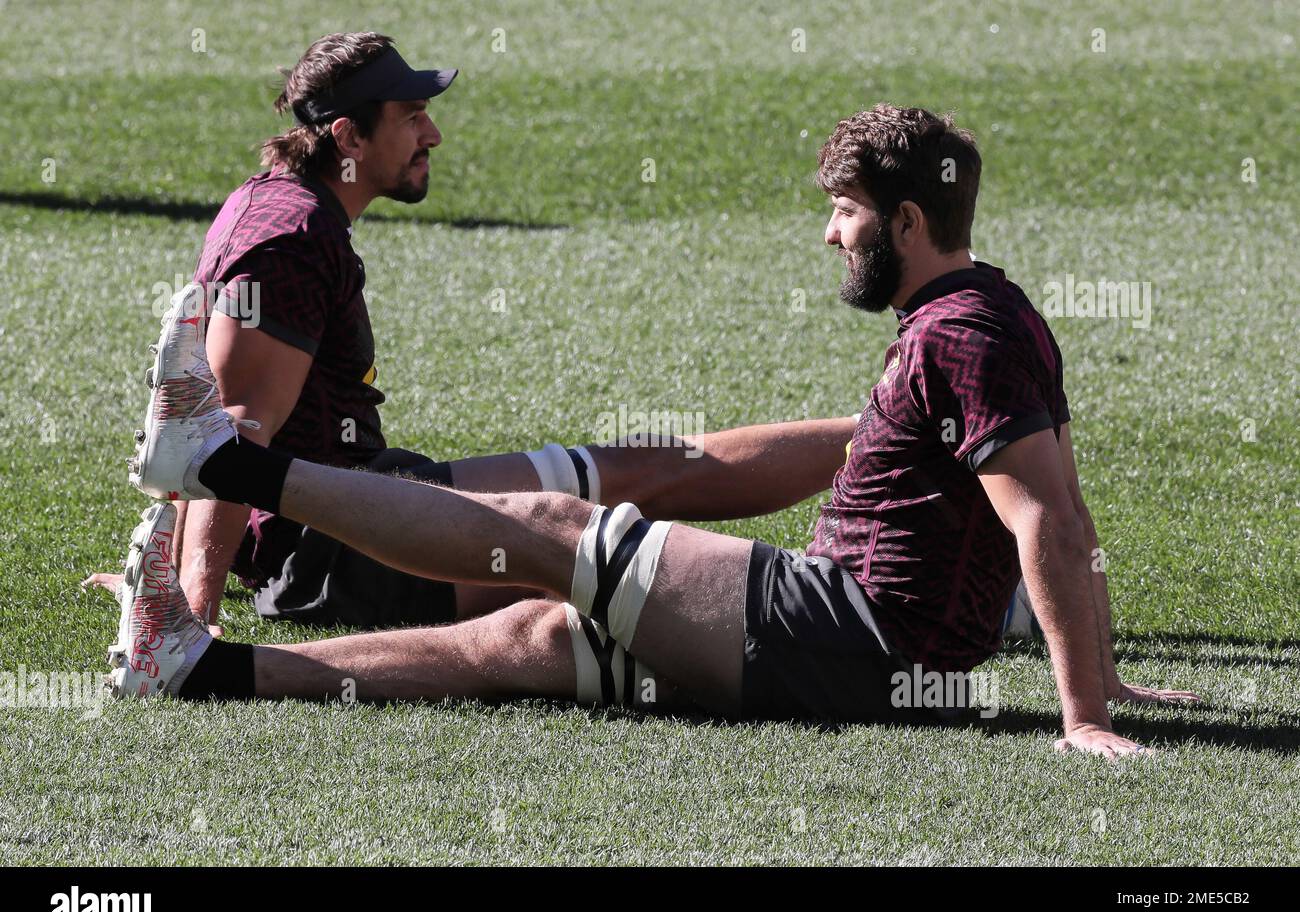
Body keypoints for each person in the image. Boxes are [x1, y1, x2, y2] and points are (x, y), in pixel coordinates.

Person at [108, 104, 1199, 757]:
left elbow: (1049, 518)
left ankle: (226, 459)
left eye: (848, 213)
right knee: (527, 640)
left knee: (550, 526)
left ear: (907, 222)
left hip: (852, 637)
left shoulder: (965, 335)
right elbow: (1068, 495)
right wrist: (1103, 672)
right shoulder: (985, 309)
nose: (830, 233)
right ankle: (198, 668)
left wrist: (1082, 713)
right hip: (838, 632)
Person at [85, 31, 855, 630]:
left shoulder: (277, 204)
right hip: (334, 550)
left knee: (639, 473)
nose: (434, 134)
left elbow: (205, 414)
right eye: (412, 117)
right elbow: (233, 426)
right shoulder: (291, 239)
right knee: (615, 562)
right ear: (349, 137)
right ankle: (847, 587)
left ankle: (878, 433)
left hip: (365, 499)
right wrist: (191, 609)